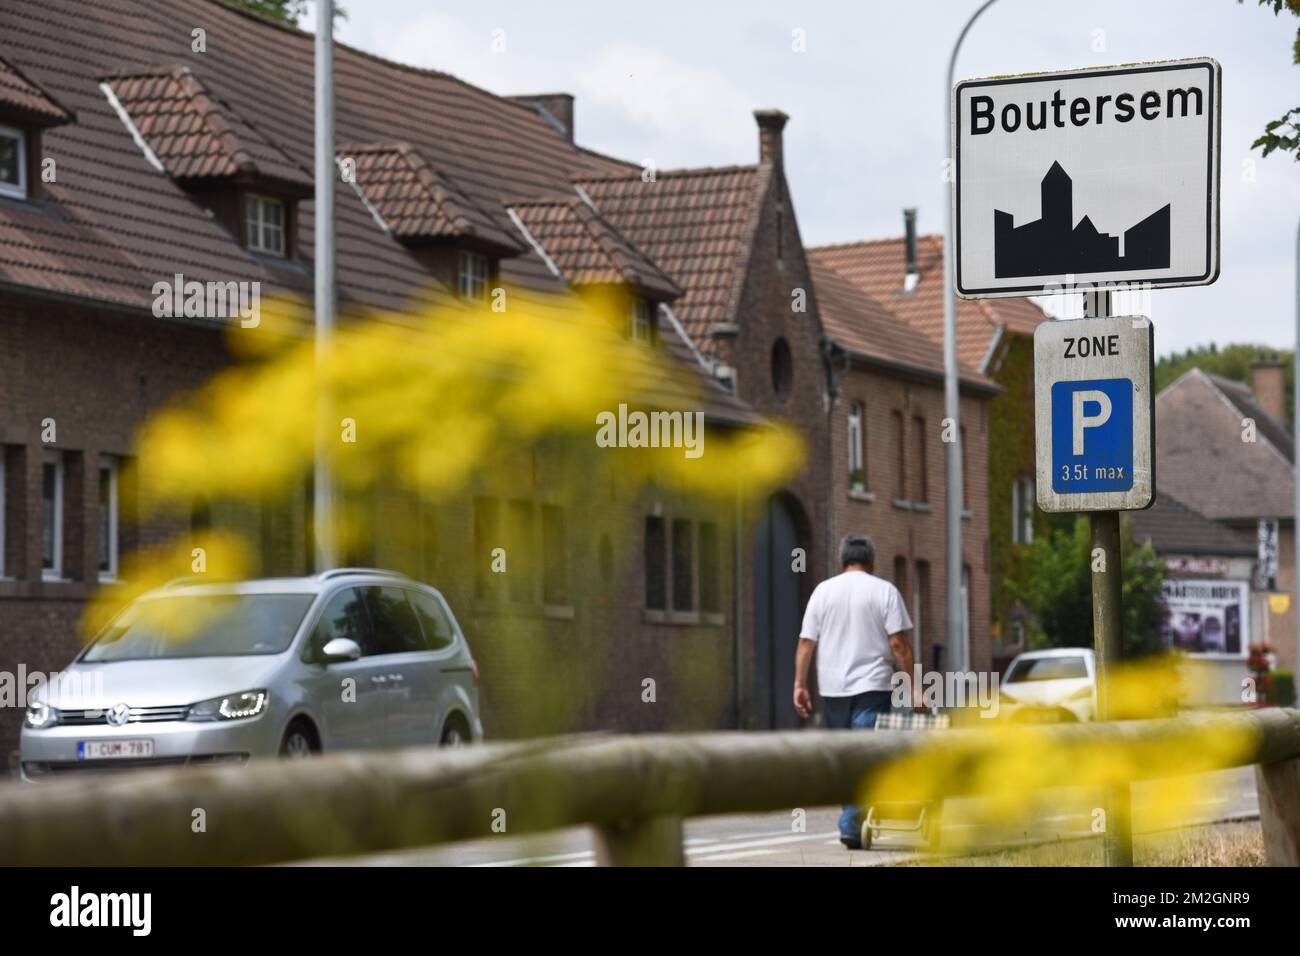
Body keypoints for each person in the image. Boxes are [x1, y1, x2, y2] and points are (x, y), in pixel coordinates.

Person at [793, 533, 918, 849]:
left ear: (842, 560)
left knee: (847, 755)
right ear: (872, 562)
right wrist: (916, 688)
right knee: (864, 754)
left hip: (833, 688)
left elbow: (807, 642)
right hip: (872, 686)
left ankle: (852, 820)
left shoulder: (823, 591)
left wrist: (799, 684)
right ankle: (851, 821)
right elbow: (898, 644)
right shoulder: (884, 591)